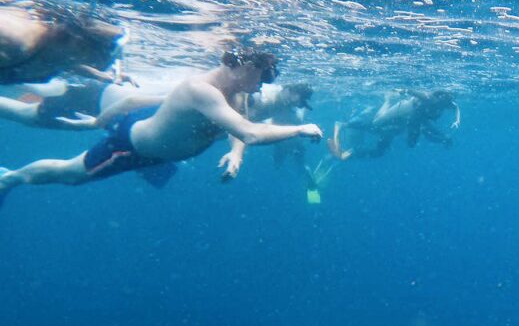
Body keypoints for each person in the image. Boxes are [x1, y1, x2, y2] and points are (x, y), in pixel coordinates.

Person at [0, 46, 322, 208]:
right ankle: (10, 178)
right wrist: (299, 129)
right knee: (70, 175)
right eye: (262, 78)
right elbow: (251, 132)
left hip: (157, 151)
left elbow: (240, 130)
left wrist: (236, 157)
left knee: (72, 173)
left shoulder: (238, 93)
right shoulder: (201, 90)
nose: (262, 86)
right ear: (243, 67)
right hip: (131, 148)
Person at [0, 3, 126, 85]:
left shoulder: (58, 50)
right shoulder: (15, 40)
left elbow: (67, 63)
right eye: (89, 62)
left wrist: (99, 76)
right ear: (80, 44)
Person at [218, 82, 315, 180]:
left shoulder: (285, 104)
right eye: (297, 100)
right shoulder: (261, 97)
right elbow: (238, 122)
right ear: (287, 90)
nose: (296, 104)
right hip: (222, 124)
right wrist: (236, 153)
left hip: (229, 127)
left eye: (300, 103)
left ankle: (299, 165)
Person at [328, 89, 460, 161]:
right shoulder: (429, 99)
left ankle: (351, 153)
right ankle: (342, 125)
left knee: (380, 151)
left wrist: (444, 137)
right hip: (403, 110)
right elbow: (412, 92)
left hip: (405, 121)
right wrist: (401, 91)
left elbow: (427, 128)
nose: (444, 108)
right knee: (375, 124)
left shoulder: (444, 105)